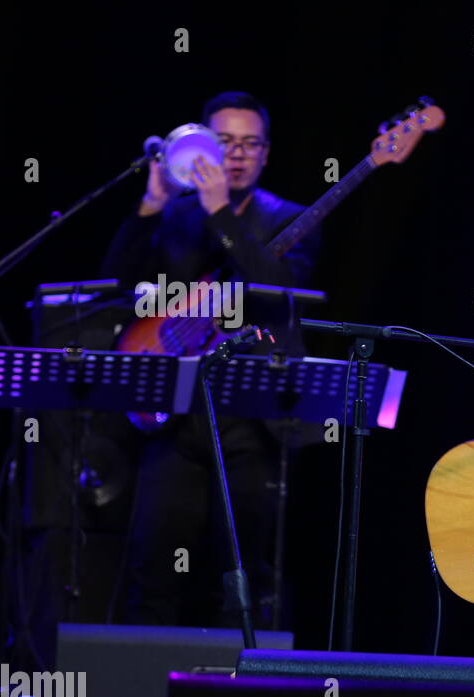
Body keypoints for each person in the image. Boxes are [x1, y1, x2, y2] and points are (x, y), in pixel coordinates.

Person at [101, 91, 320, 627]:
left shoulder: (288, 217)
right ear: (201, 146)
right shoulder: (175, 216)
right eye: (225, 142)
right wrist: (152, 201)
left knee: (247, 576)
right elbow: (120, 286)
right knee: (152, 566)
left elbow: (275, 290)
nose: (238, 154)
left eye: (251, 143)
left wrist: (221, 211)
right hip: (176, 420)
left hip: (251, 423)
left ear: (267, 153)